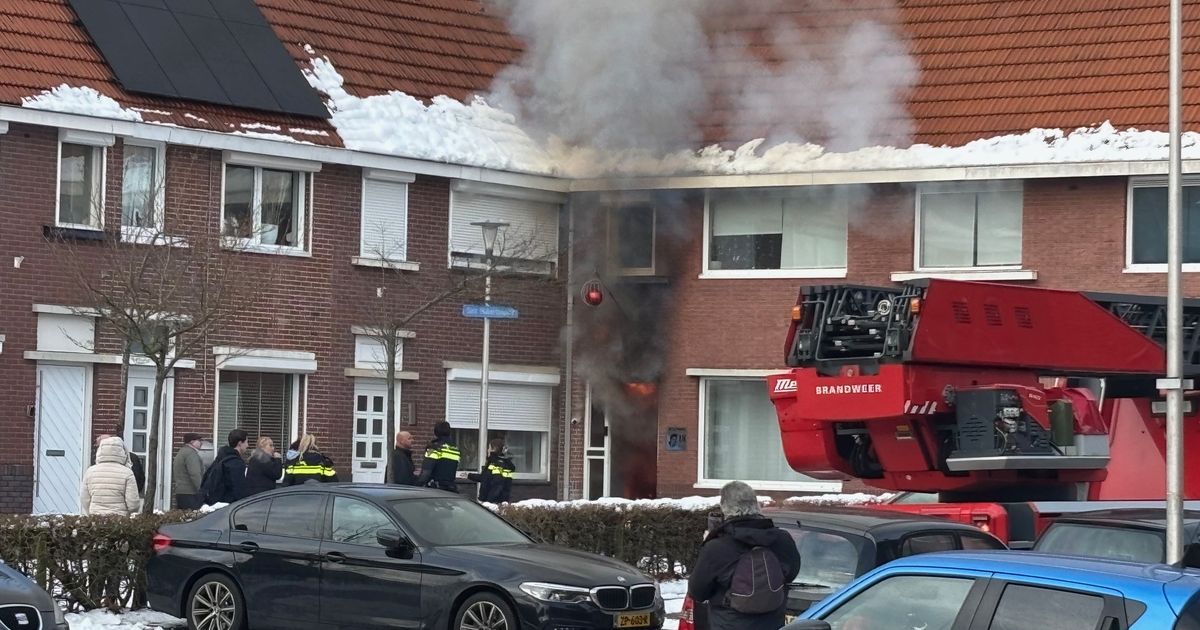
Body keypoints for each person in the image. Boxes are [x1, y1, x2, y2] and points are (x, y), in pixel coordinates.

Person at [687, 481, 802, 630]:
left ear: (724, 508)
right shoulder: (782, 539)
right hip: (772, 623)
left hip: (728, 624)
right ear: (756, 505)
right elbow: (792, 573)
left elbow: (697, 592)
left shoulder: (716, 548)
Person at [81, 436, 141, 516]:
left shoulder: (90, 472)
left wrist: (91, 512)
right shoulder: (127, 473)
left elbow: (84, 498)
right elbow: (133, 503)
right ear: (122, 451)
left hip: (95, 518)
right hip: (119, 519)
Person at [205, 429, 249, 505]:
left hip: (215, 502)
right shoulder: (236, 463)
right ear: (240, 443)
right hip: (228, 505)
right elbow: (238, 489)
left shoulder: (221, 458)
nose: (247, 445)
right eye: (246, 442)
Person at [414, 421, 460, 492]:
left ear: (436, 432)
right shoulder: (455, 450)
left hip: (436, 489)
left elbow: (426, 473)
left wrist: (416, 486)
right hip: (450, 489)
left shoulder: (434, 448)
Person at [467, 438, 515, 503]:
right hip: (499, 500)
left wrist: (489, 501)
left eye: (489, 448)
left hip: (493, 502)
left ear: (494, 449)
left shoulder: (496, 463)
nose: (488, 450)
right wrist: (469, 475)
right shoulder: (502, 462)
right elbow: (485, 478)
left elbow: (497, 485)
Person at [172, 433, 205, 509]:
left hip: (180, 492)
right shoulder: (191, 454)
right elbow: (195, 474)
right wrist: (201, 490)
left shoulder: (182, 452)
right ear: (192, 442)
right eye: (199, 440)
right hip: (190, 493)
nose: (201, 443)